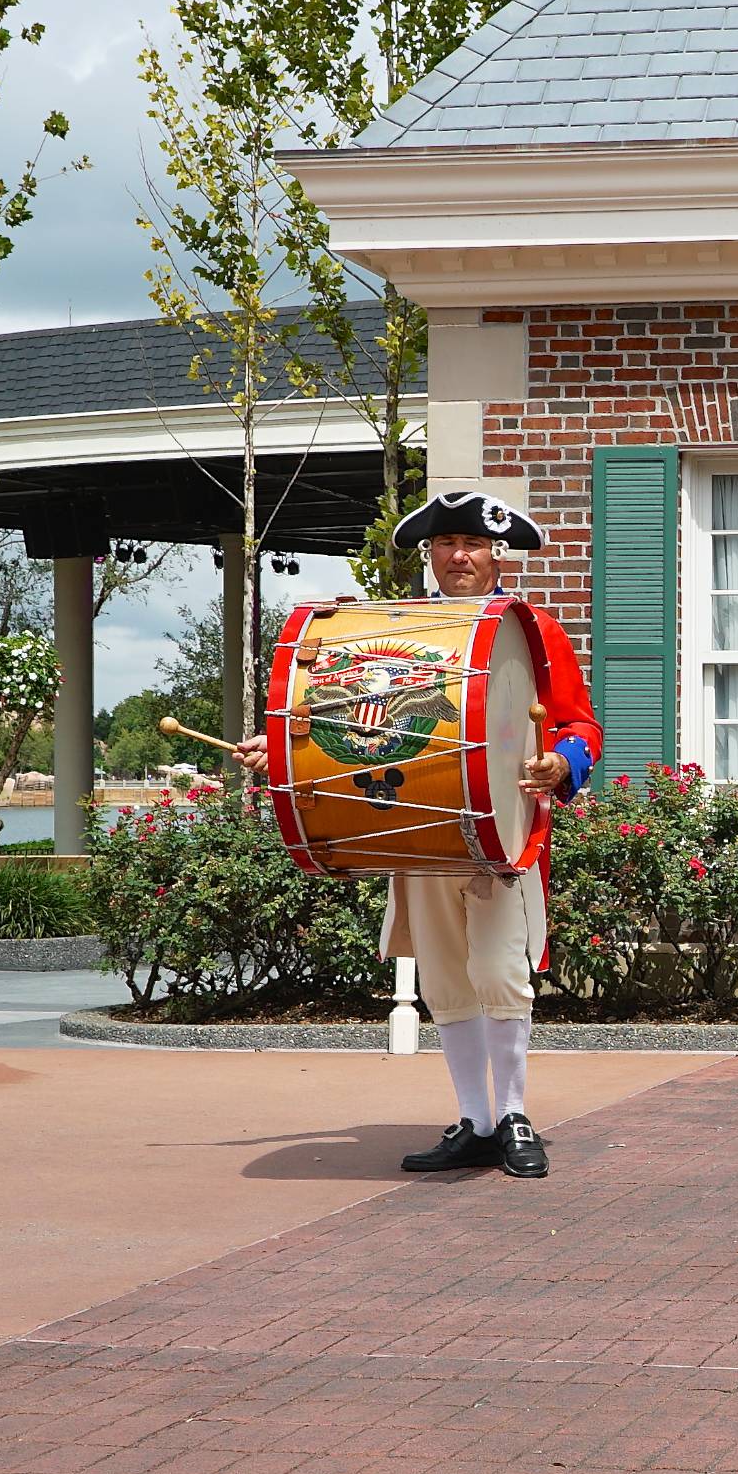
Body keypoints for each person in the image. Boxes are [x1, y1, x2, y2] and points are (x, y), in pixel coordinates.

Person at [236, 490, 599, 1177]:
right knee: (445, 982)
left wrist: (560, 763)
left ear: (497, 553)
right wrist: (281, 748)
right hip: (420, 828)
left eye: (473, 544)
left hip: (502, 833)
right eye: (445, 544)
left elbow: (583, 727)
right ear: (430, 553)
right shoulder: (398, 627)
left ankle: (516, 1113)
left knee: (499, 975)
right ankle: (478, 1119)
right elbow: (347, 721)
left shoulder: (533, 630)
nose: (459, 556)